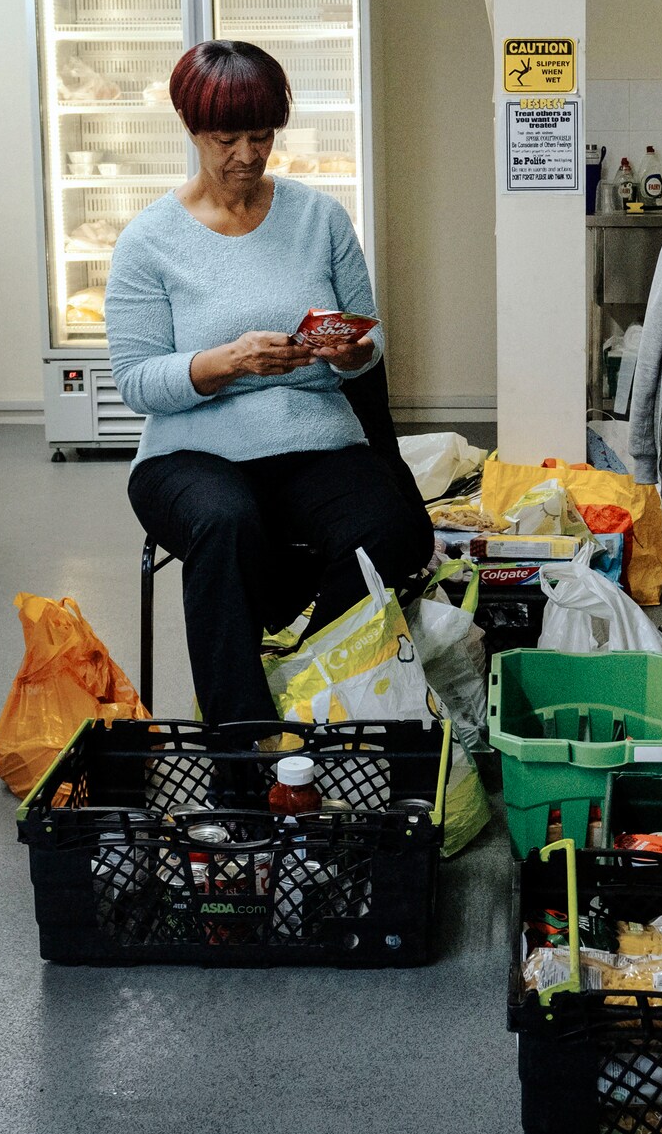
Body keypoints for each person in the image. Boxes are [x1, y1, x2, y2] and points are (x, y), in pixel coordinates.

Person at [109, 40, 433, 725]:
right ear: (190, 127)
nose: (248, 156)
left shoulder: (321, 218)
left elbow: (369, 343)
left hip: (314, 439)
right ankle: (243, 742)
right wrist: (228, 360)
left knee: (396, 529)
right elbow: (136, 380)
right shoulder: (149, 240)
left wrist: (349, 352)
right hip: (191, 452)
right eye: (227, 139)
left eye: (261, 136)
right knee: (224, 523)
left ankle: (304, 679)